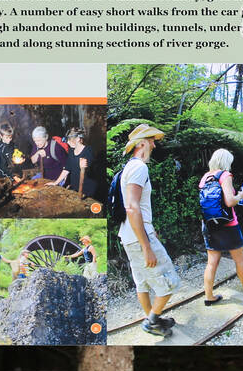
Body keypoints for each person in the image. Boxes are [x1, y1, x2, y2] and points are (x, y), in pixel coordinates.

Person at [117, 122, 182, 336]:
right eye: (152, 141)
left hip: (128, 235)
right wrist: (146, 245)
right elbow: (132, 206)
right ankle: (151, 321)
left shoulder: (128, 167)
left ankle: (153, 320)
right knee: (170, 282)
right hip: (138, 238)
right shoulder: (139, 167)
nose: (154, 145)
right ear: (142, 143)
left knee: (142, 282)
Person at [199, 148, 243, 305]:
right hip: (228, 224)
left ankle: (209, 296)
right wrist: (241, 195)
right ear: (226, 161)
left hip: (209, 224)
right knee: (239, 259)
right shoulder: (225, 175)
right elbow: (230, 202)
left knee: (212, 262)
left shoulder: (205, 177)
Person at [53, 128, 101, 199]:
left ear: (78, 139)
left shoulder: (88, 151)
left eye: (70, 140)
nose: (68, 142)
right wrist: (56, 182)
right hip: (74, 188)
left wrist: (85, 166)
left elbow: (92, 172)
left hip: (87, 190)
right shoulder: (71, 151)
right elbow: (67, 168)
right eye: (67, 140)